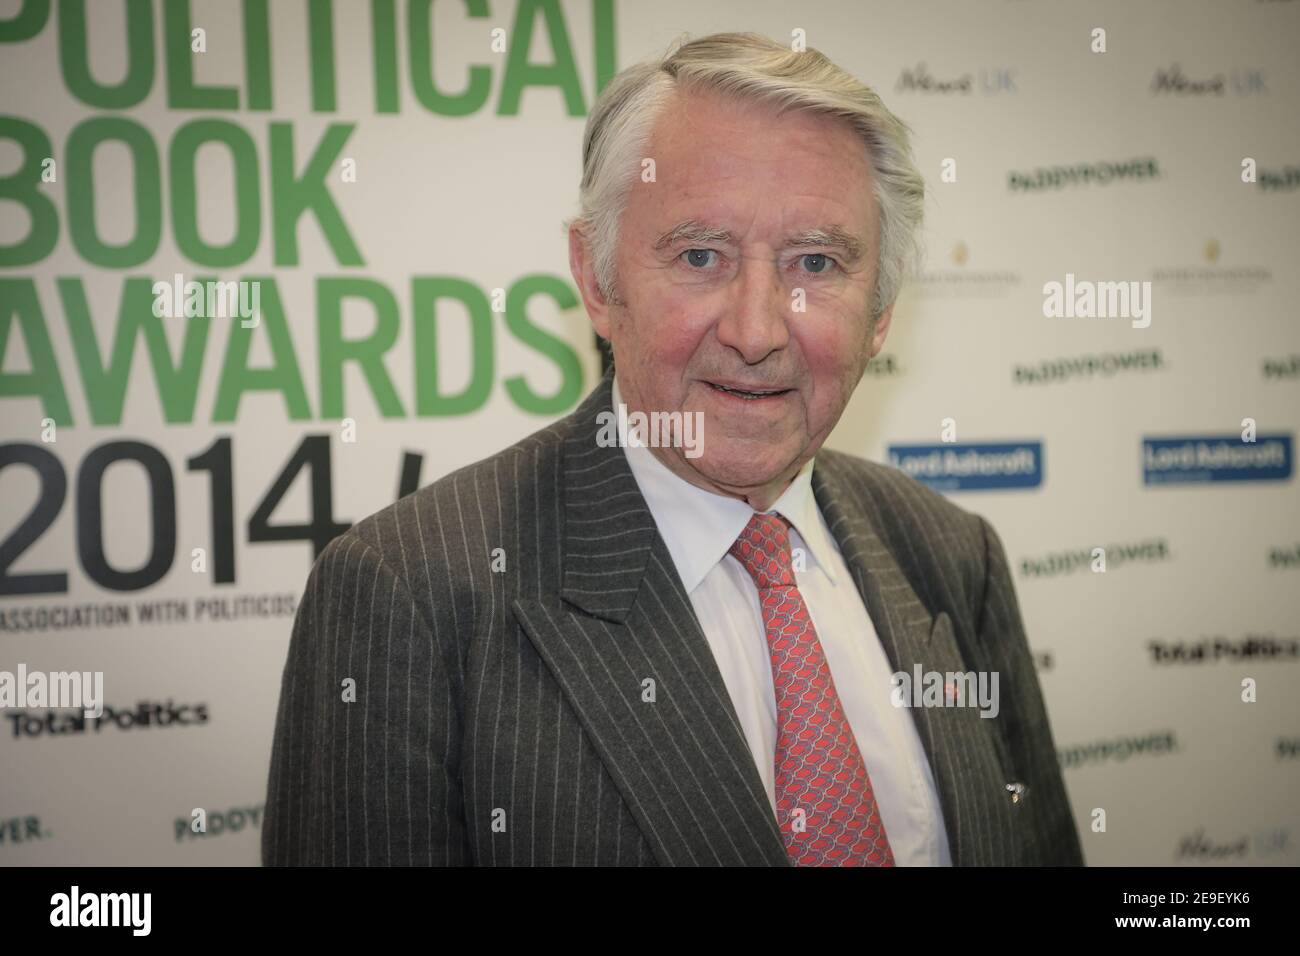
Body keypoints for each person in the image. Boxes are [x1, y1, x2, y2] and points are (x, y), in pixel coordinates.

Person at [262, 32, 1083, 867]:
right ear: (596, 279)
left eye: (816, 261)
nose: (757, 331)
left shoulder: (950, 555)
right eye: (700, 256)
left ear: (880, 310)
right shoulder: (409, 594)